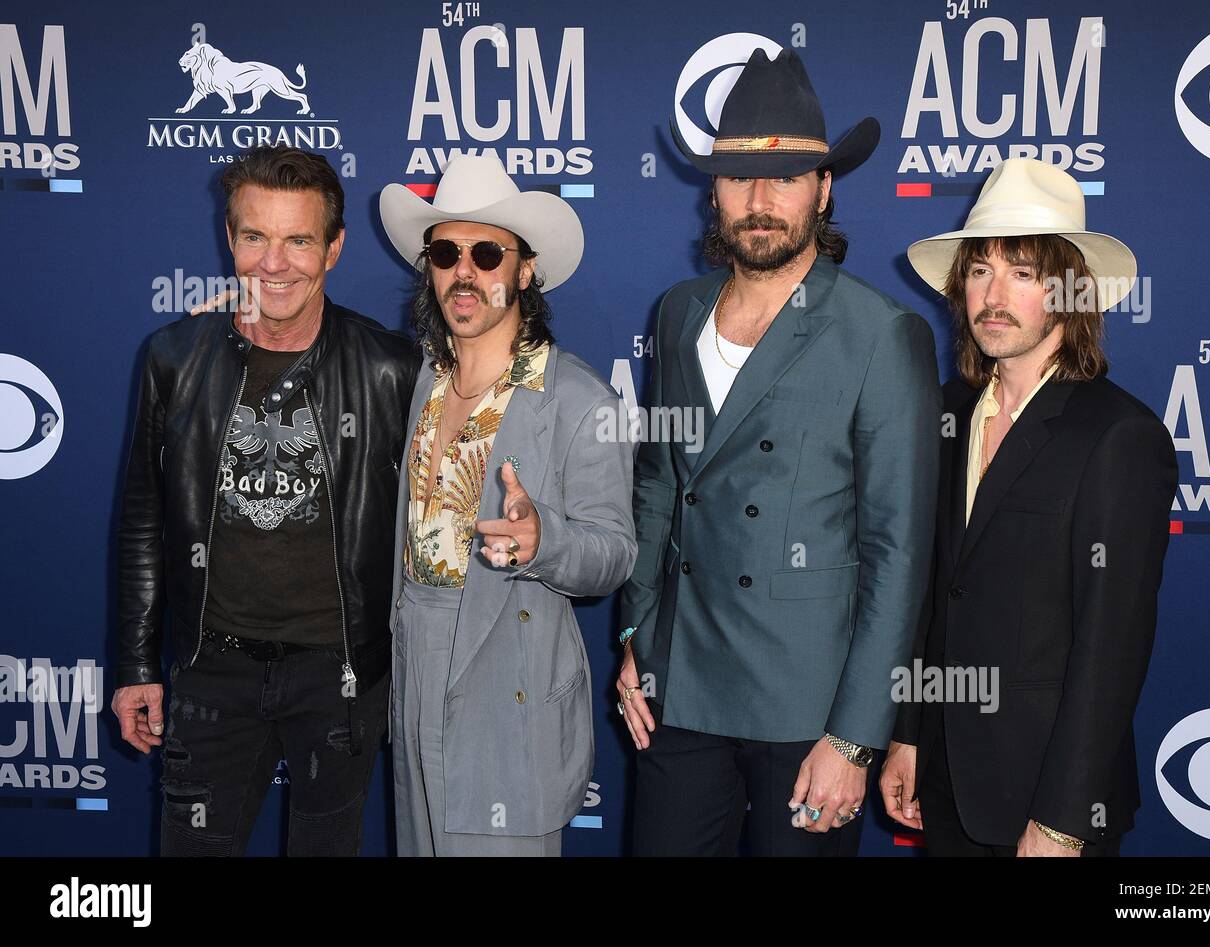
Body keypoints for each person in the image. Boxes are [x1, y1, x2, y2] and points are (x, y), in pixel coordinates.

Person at [617, 47, 941, 856]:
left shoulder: (879, 333)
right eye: (738, 178)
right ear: (713, 190)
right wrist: (635, 637)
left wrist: (856, 737)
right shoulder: (677, 310)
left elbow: (898, 553)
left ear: (824, 189)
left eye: (787, 177)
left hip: (808, 712)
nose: (760, 201)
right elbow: (657, 485)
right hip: (678, 687)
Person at [111, 145, 420, 856]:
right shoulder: (173, 358)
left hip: (338, 674)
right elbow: (142, 520)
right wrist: (135, 666)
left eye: (298, 240)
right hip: (209, 671)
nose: (273, 264)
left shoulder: (388, 370)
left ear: (334, 248)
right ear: (229, 237)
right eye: (255, 236)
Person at [880, 157, 1178, 856]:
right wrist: (908, 734)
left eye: (1022, 272)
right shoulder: (948, 412)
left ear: (1070, 292)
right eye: (980, 269)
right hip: (948, 783)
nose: (994, 293)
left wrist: (1062, 818)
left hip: (1049, 799)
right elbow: (934, 600)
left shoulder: (1118, 435)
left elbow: (1112, 648)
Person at [378, 155, 636, 856]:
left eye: (487, 252)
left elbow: (614, 549)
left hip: (509, 694)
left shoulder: (579, 400)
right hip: (415, 680)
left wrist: (543, 540)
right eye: (445, 252)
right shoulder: (420, 383)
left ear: (525, 270)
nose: (465, 271)